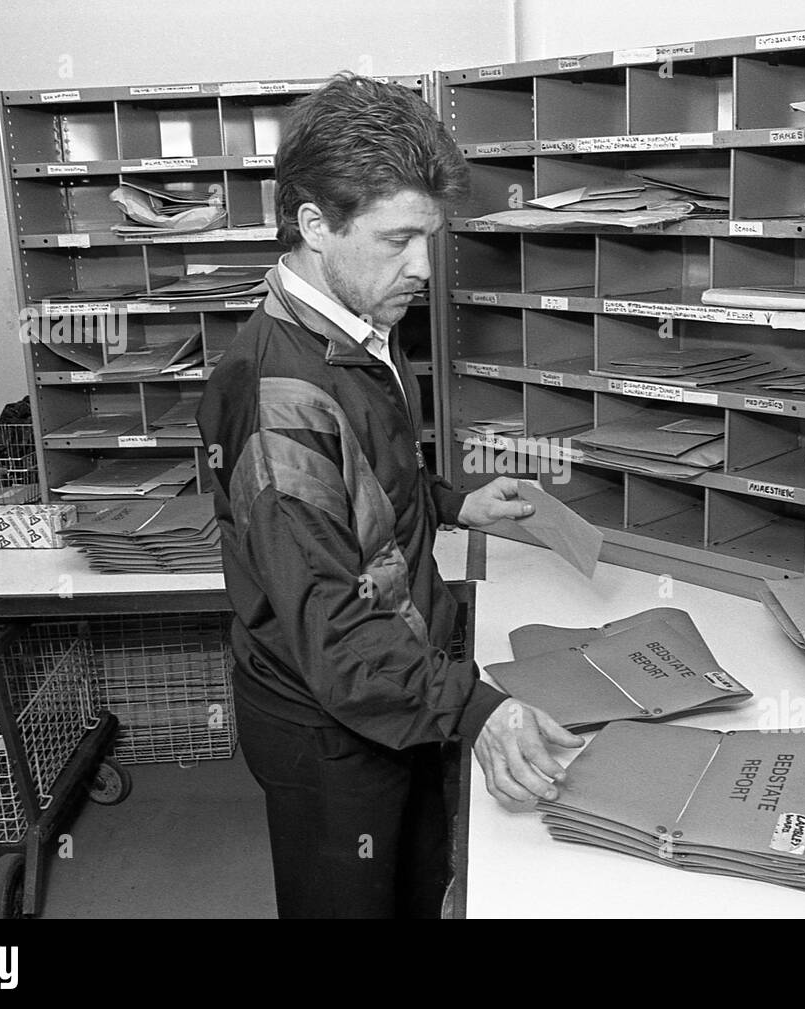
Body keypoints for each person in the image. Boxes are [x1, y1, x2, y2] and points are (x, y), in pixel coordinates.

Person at [196, 73, 581, 919]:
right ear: (313, 225)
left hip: (401, 684)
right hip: (333, 724)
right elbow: (333, 632)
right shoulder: (277, 397)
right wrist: (475, 708)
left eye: (430, 238)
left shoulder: (353, 324)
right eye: (399, 238)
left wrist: (450, 503)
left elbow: (363, 473)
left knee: (415, 892)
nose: (422, 267)